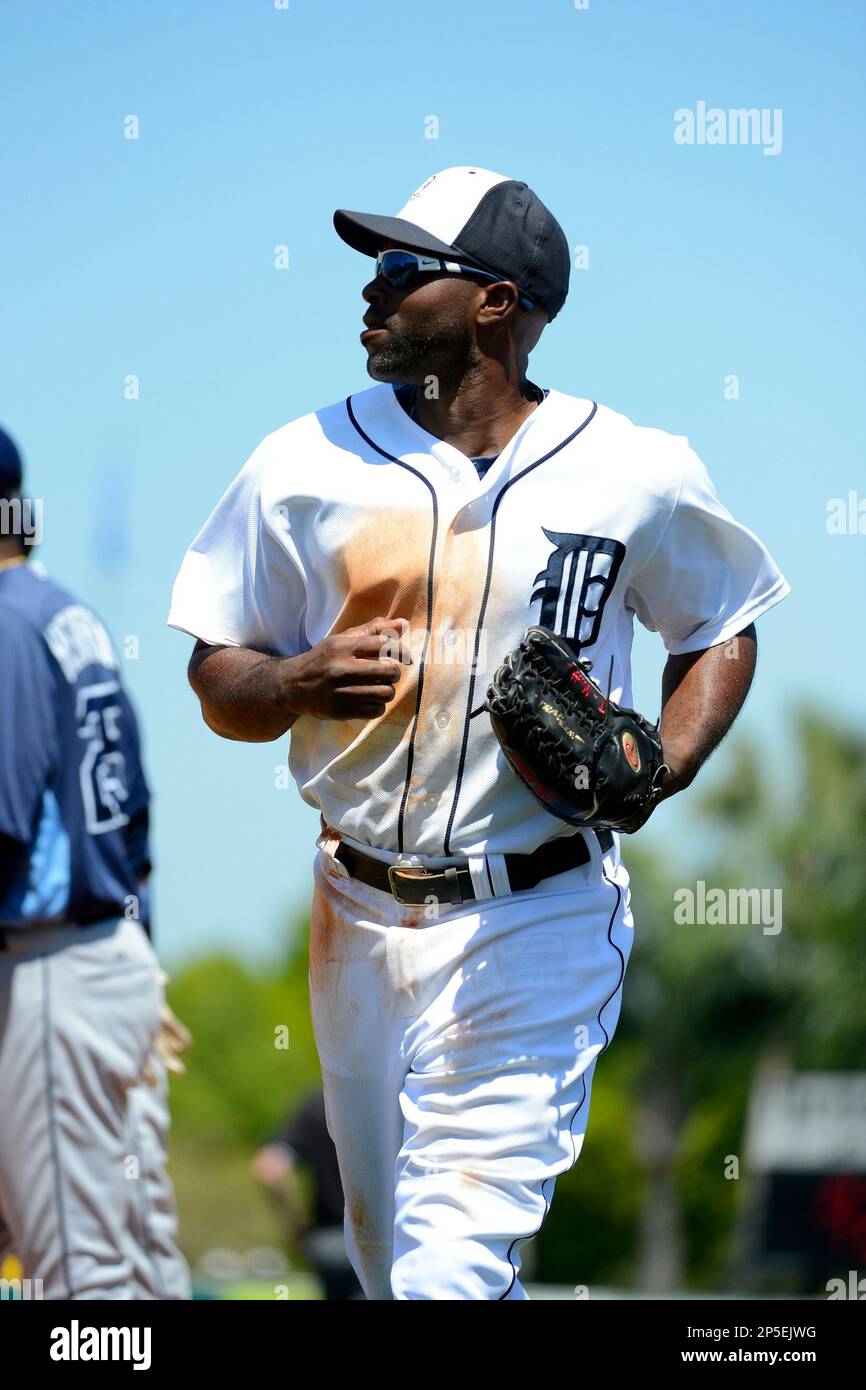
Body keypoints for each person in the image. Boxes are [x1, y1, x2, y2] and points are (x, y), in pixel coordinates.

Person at [168, 166, 790, 1300]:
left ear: (494, 302)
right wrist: (293, 677)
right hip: (350, 910)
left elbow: (723, 621)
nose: (372, 288)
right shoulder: (301, 462)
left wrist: (670, 756)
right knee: (378, 1260)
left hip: (536, 913)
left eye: (404, 268)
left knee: (445, 1269)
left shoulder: (634, 469)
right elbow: (214, 674)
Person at [0, 425, 190, 1299]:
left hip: (50, 972)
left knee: (79, 1279)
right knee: (140, 1261)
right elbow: (134, 825)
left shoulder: (4, 624)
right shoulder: (68, 616)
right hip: (106, 960)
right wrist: (138, 966)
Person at [251, 1089, 363, 1300]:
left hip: (327, 1239)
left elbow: (268, 1168)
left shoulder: (316, 1105)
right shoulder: (386, 1099)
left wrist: (296, 1226)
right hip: (376, 1234)